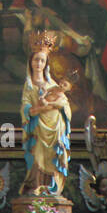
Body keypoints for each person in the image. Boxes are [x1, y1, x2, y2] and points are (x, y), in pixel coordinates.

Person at [20, 45, 72, 195]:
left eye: (42, 61)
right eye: (36, 60)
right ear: (31, 62)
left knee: (53, 155)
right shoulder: (29, 86)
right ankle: (36, 185)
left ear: (46, 64)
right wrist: (34, 110)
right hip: (38, 126)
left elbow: (65, 105)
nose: (39, 64)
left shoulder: (53, 84)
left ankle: (51, 187)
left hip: (55, 126)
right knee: (37, 154)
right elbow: (25, 106)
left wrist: (53, 106)